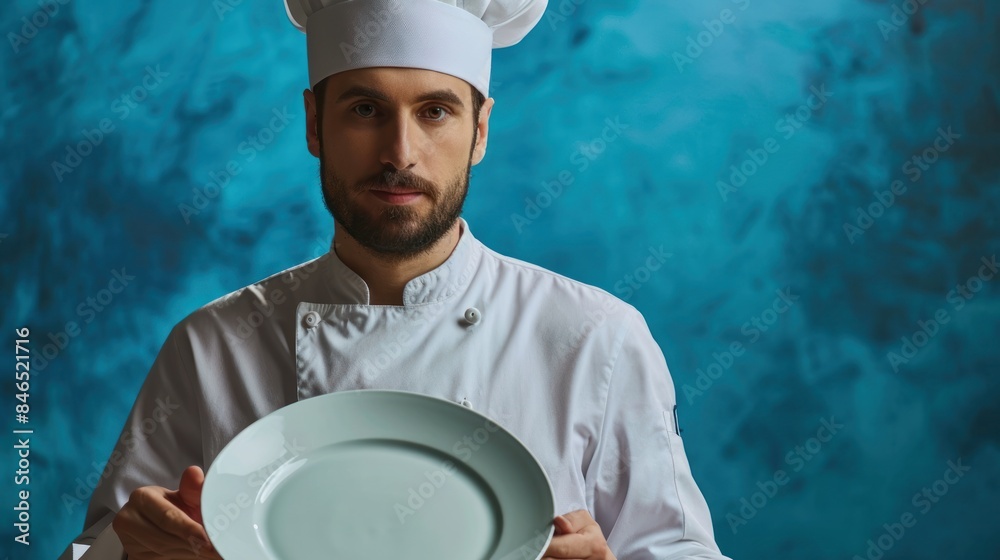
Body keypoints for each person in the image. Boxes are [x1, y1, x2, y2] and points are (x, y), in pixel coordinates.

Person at [60, 0, 731, 558]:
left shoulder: (597, 340)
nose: (399, 154)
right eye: (364, 109)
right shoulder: (212, 346)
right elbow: (107, 545)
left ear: (481, 131)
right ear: (314, 124)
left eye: (435, 111)